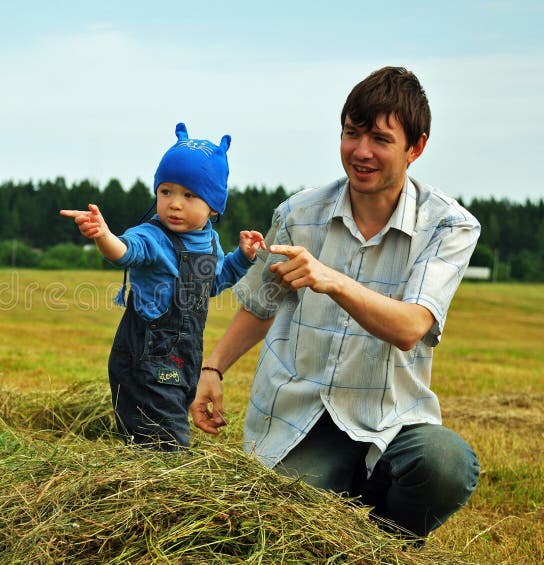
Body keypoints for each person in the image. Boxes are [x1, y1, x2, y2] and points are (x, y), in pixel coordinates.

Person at [189, 67, 481, 541]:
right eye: (351, 133)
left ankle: (386, 545)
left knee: (446, 464)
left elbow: (412, 326)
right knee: (278, 534)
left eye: (380, 139)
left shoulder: (448, 226)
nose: (361, 151)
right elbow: (262, 303)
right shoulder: (299, 214)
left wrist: (331, 280)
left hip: (391, 419)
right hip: (300, 419)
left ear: (416, 148)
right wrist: (213, 370)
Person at [61, 122, 265, 451]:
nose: (174, 203)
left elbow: (212, 284)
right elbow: (125, 252)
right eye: (165, 191)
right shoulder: (152, 236)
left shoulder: (209, 242)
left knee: (152, 444)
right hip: (145, 360)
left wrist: (241, 257)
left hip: (184, 360)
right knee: (167, 446)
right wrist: (103, 236)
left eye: (189, 194)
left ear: (214, 205)